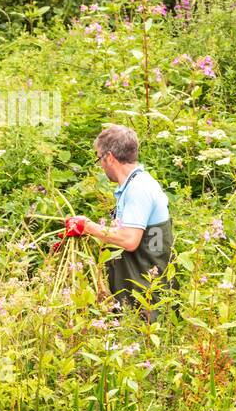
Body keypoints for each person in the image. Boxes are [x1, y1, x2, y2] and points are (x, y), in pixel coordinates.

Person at [65, 124, 173, 313]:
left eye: (99, 158)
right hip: (138, 289)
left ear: (110, 157)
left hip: (146, 296)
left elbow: (130, 240)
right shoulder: (134, 185)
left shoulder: (139, 189)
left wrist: (87, 226)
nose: (100, 164)